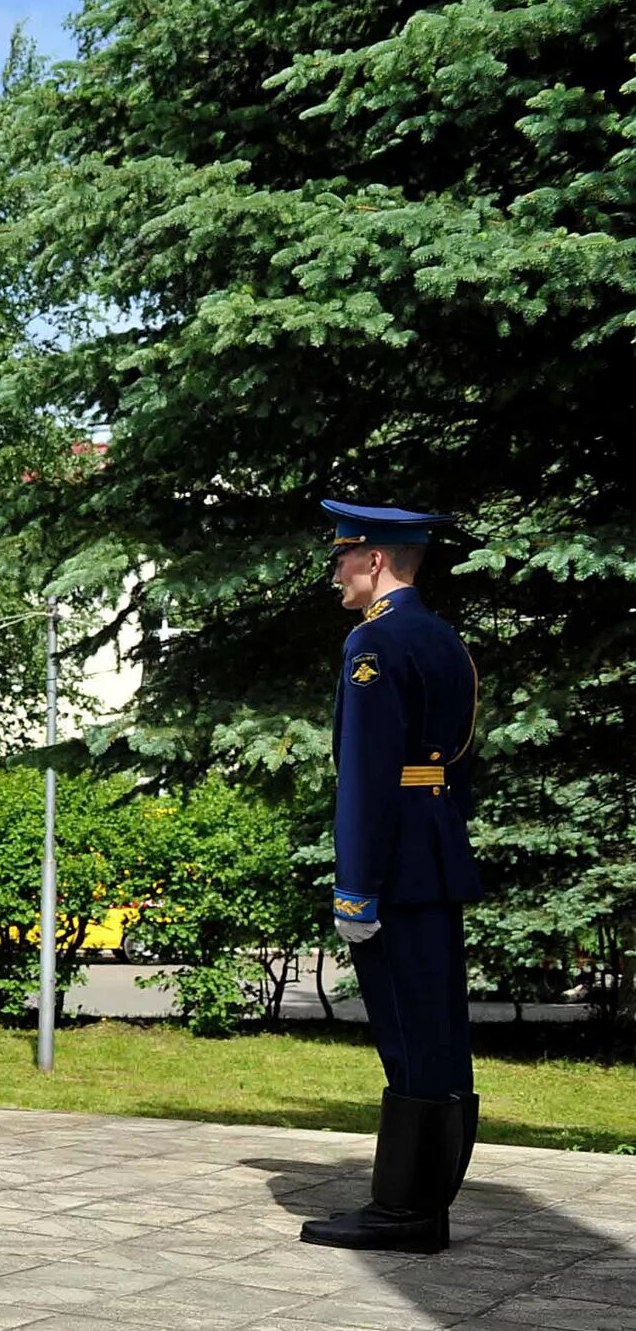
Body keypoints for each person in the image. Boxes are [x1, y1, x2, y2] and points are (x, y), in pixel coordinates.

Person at [303, 501, 482, 1252]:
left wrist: (356, 886)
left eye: (345, 557)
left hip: (395, 867)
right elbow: (459, 760)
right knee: (440, 1030)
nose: (337, 572)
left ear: (376, 561)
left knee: (409, 1035)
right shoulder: (444, 640)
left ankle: (406, 1212)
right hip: (435, 851)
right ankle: (427, 1200)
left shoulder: (373, 642)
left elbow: (370, 776)